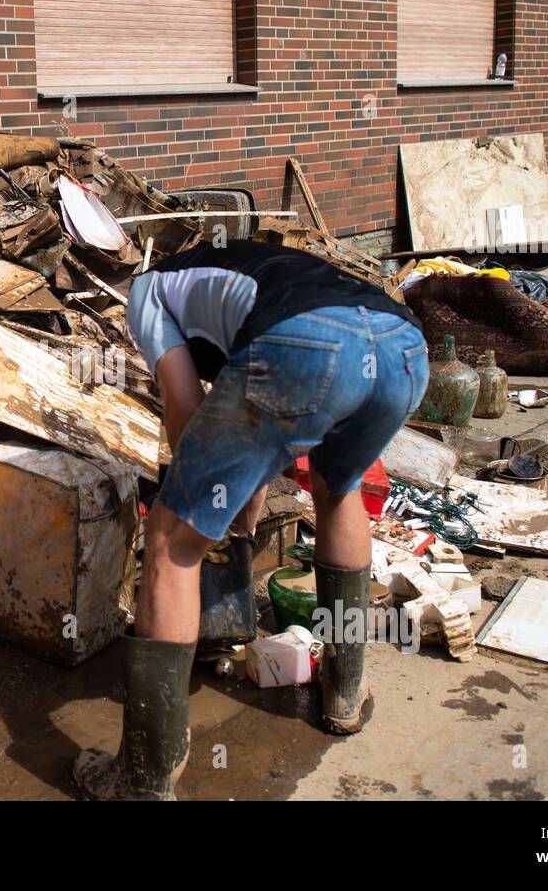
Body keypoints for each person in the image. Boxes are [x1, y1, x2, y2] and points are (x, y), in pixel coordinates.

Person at [73, 238, 429, 800]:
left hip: (306, 346)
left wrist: (201, 509)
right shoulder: (247, 271)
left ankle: (143, 779)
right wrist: (241, 500)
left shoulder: (146, 292)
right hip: (402, 348)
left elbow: (186, 409)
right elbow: (260, 425)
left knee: (170, 538)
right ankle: (344, 695)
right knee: (340, 493)